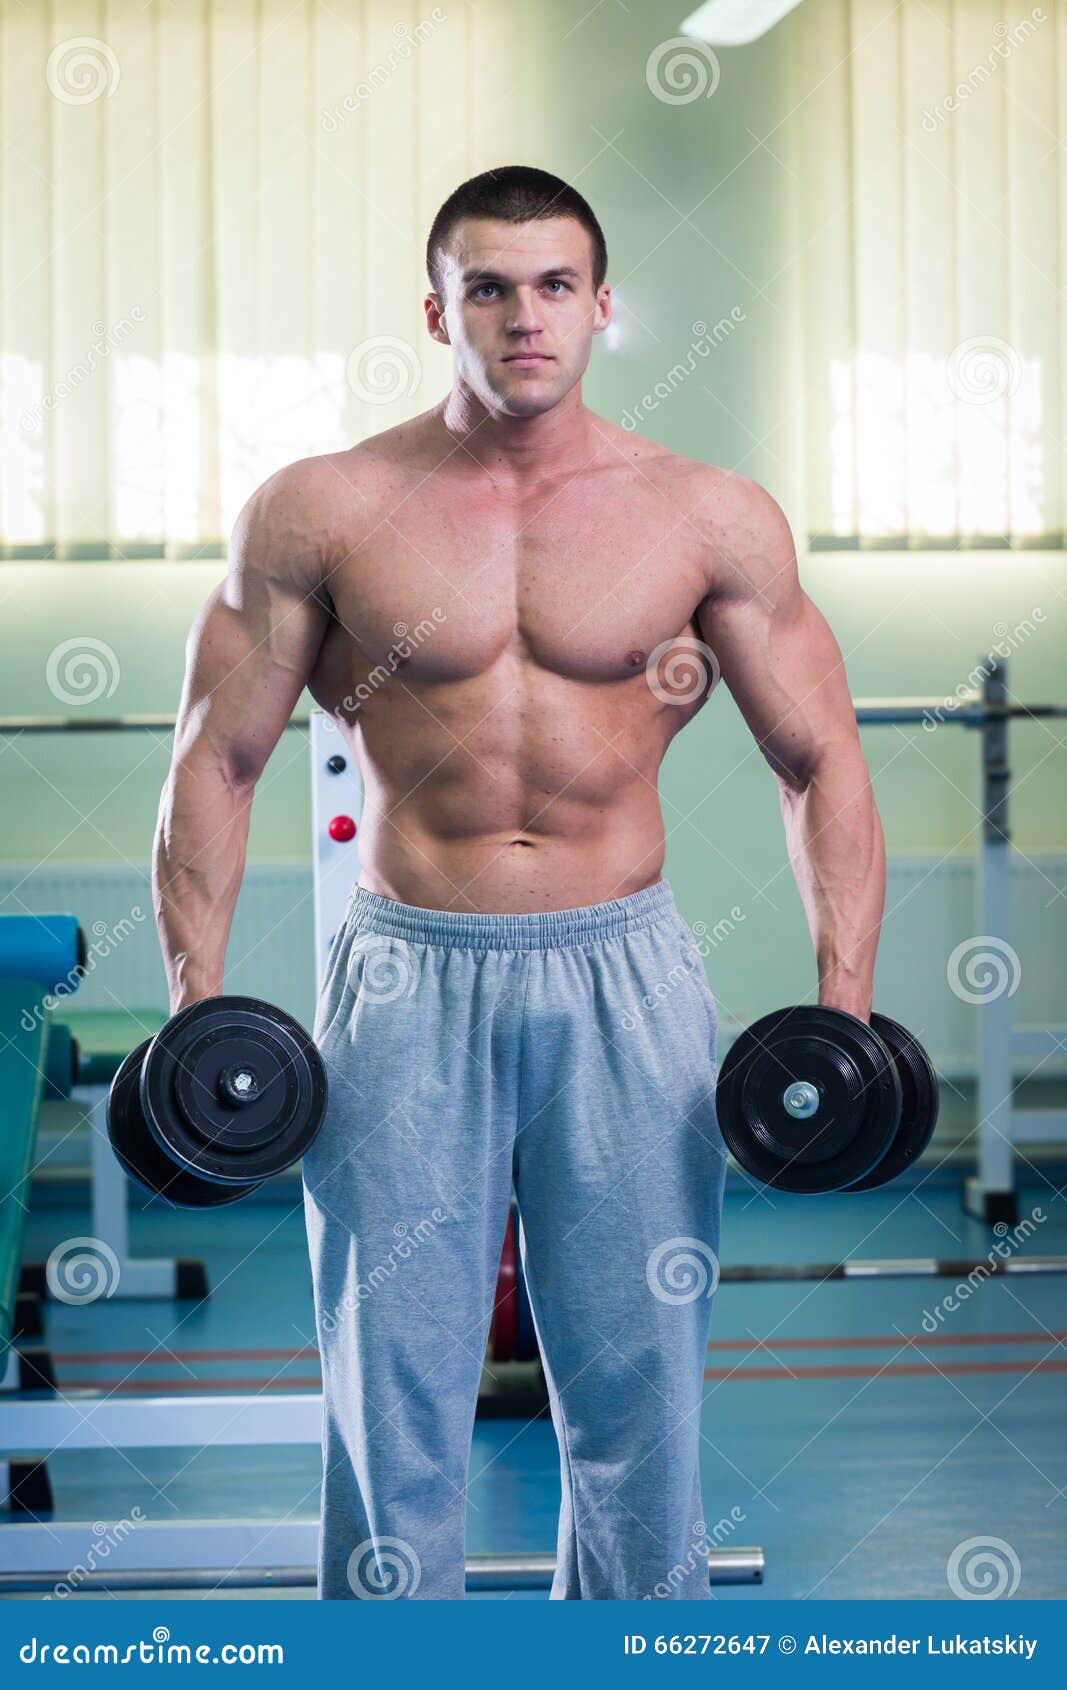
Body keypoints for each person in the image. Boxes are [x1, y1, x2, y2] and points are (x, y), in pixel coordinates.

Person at [154, 164, 885, 1600]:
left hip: (626, 974)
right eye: (488, 287)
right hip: (408, 971)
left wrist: (840, 1016)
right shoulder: (324, 510)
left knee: (639, 1393)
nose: (524, 317)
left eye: (555, 286)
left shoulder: (707, 516)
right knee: (391, 1387)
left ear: (603, 307)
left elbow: (822, 758)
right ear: (437, 308)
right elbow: (216, 760)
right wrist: (201, 1009)